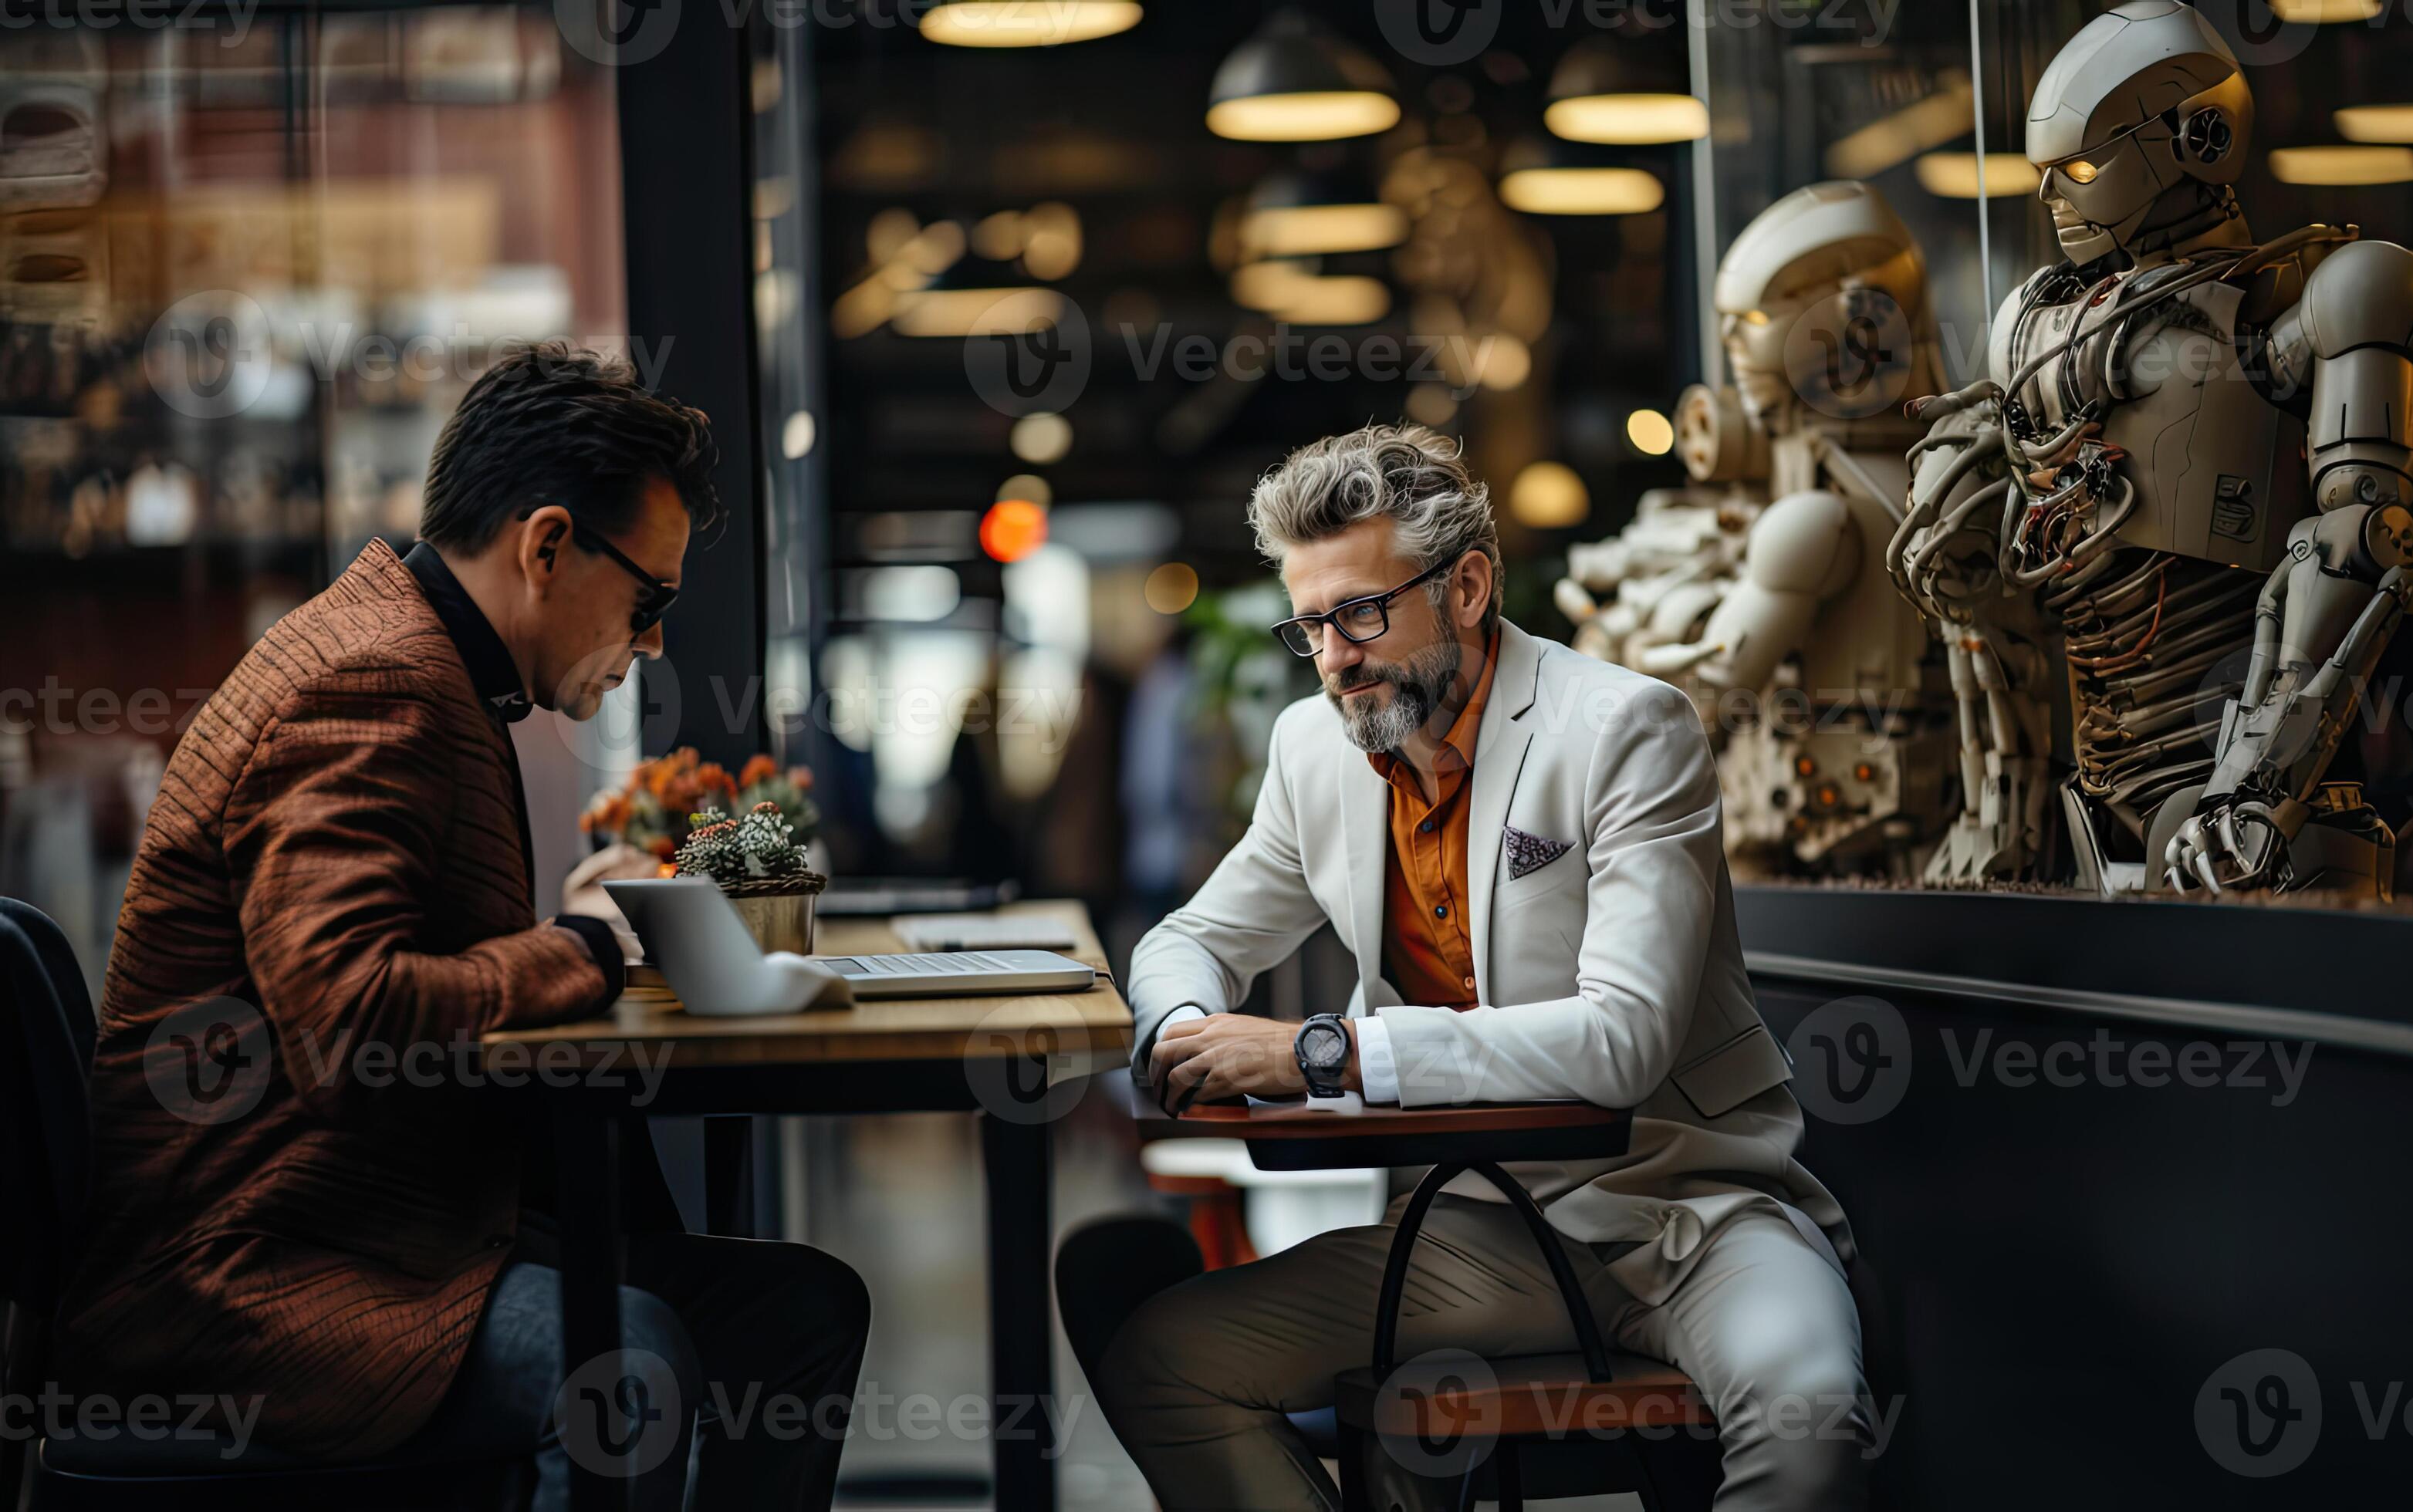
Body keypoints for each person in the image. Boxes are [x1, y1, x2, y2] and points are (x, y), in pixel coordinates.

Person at [53, 343, 868, 1510]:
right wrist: (589, 942)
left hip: (381, 1225)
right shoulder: (375, 677)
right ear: (547, 546)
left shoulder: (415, 658)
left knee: (796, 1312)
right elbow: (350, 1020)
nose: (649, 646)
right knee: (627, 1367)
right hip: (247, 1272)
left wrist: (583, 936)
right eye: (650, 600)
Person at [1065, 424, 1870, 1510]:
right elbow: (1187, 943)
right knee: (1165, 1362)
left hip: (1688, 1209)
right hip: (1480, 1229)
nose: (1336, 658)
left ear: (1468, 587)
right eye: (1311, 625)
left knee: (1812, 1414)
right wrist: (1177, 1032)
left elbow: (1620, 1040)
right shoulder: (1316, 749)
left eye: (1360, 612)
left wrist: (1316, 1053)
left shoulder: (1626, 728)